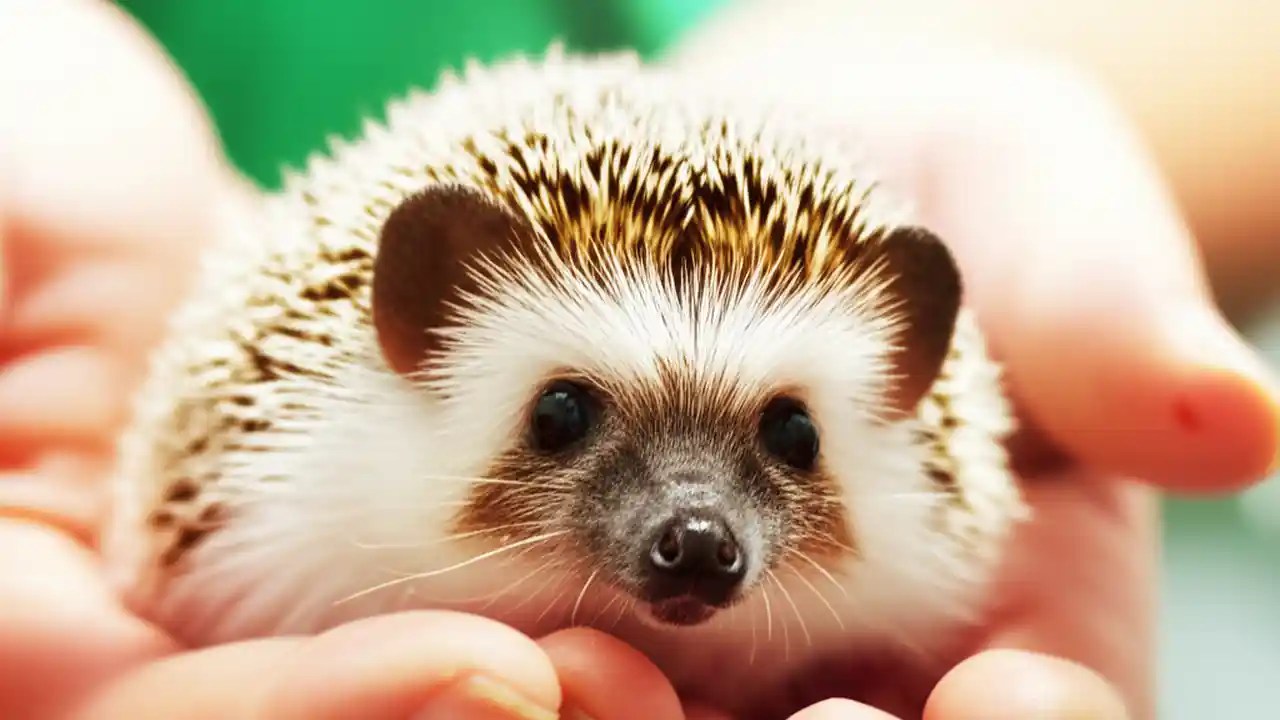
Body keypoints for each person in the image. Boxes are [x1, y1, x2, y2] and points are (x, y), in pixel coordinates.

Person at [1, 1, 1277, 718]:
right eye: (566, 415)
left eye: (786, 437)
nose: (696, 527)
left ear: (900, 382)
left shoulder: (912, 575)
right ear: (419, 341)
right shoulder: (292, 492)